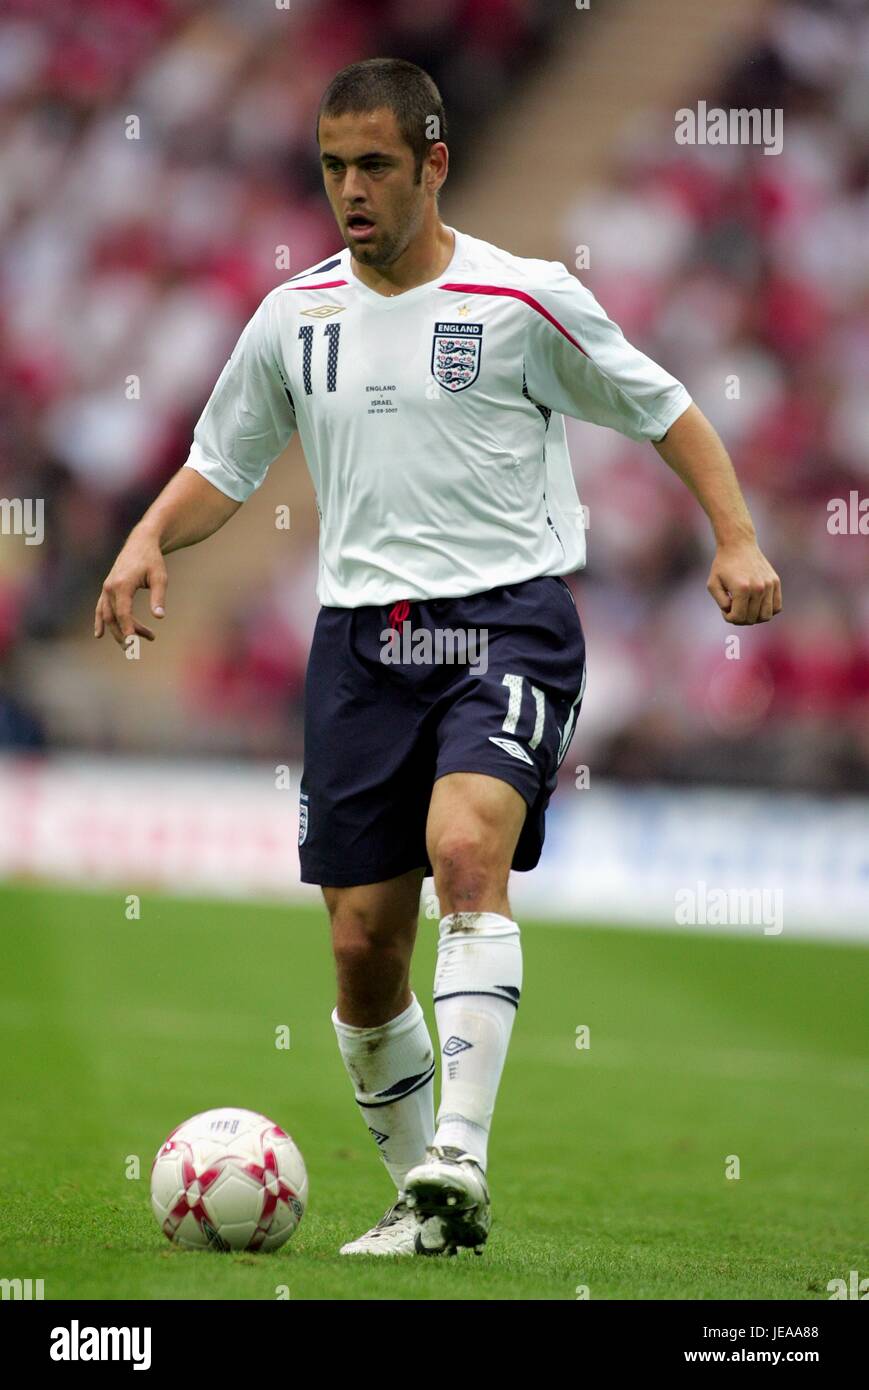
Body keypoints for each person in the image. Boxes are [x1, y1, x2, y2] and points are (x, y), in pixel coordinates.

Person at [94, 58, 782, 1257]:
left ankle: (458, 1145)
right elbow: (225, 461)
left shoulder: (522, 300)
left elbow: (663, 403)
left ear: (432, 164)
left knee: (465, 848)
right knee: (362, 946)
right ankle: (427, 1201)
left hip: (502, 620)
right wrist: (150, 535)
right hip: (361, 643)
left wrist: (733, 535)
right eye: (331, 167)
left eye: (372, 165)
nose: (348, 190)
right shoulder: (292, 316)